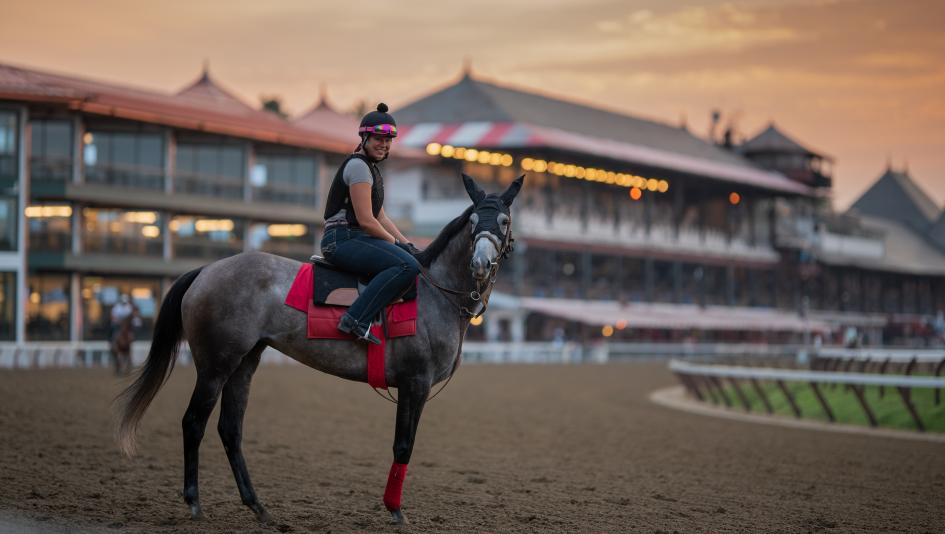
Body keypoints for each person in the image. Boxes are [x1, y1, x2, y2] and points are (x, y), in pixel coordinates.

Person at [319, 103, 421, 344]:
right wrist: (397, 244)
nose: (384, 144)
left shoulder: (371, 170)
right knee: (408, 267)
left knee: (411, 259)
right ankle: (355, 319)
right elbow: (366, 221)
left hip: (356, 238)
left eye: (388, 140)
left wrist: (408, 244)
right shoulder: (358, 167)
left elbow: (381, 217)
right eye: (378, 138)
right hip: (342, 240)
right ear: (364, 137)